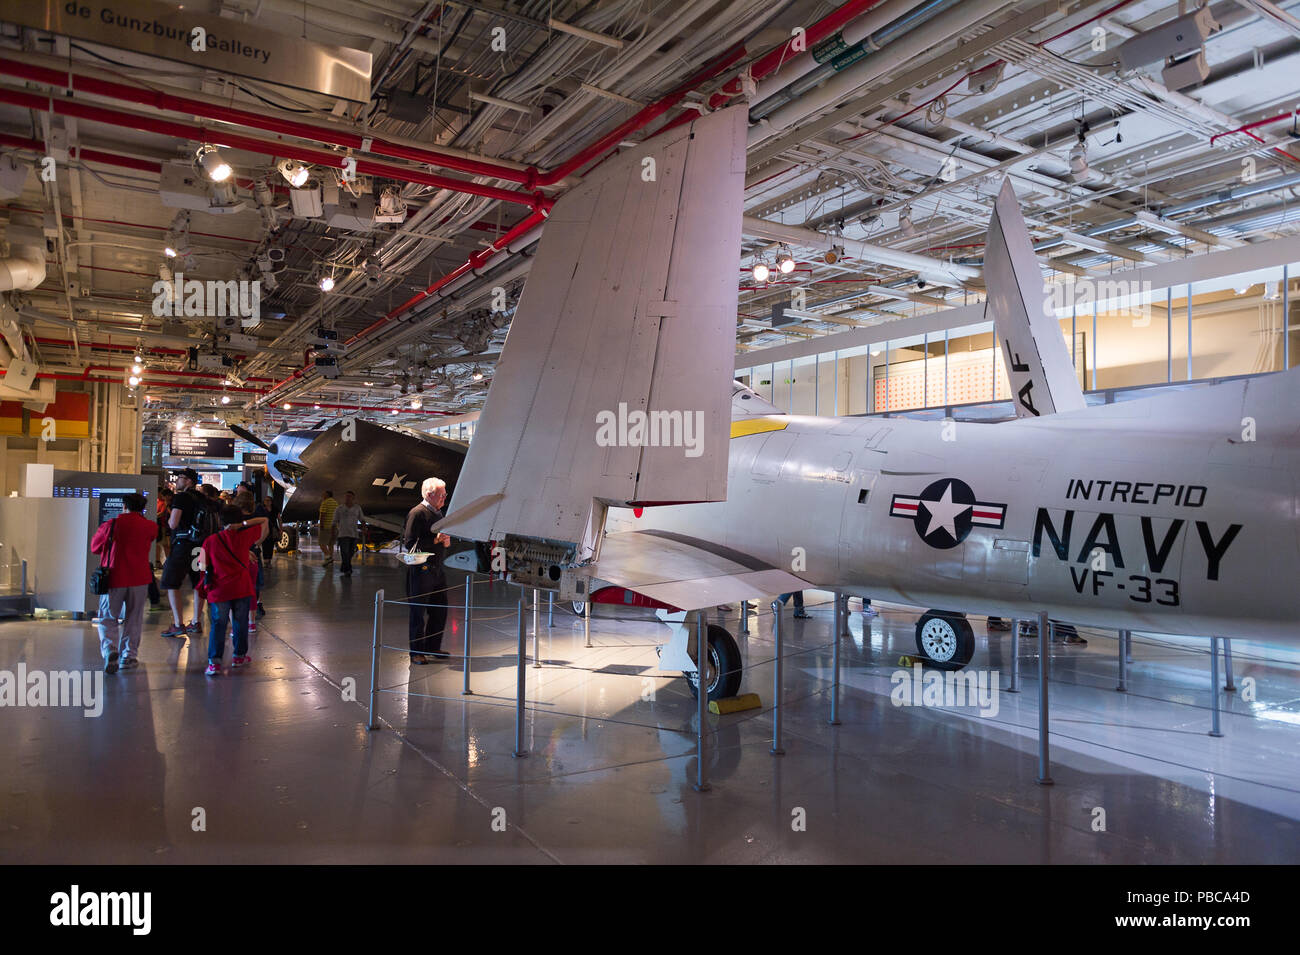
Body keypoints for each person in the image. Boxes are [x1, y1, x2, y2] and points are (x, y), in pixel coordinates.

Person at [197, 505, 268, 676]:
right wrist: (242, 524)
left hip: (219, 590)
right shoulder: (245, 537)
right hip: (241, 588)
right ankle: (239, 656)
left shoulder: (211, 540)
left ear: (221, 520)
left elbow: (202, 565)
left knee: (218, 625)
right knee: (240, 622)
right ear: (238, 520)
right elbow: (265, 520)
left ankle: (215, 663)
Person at [90, 493, 157, 673]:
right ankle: (128, 656)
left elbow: (95, 548)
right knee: (134, 618)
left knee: (107, 617)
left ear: (124, 506)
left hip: (114, 578)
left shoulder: (110, 525)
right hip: (140, 578)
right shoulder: (151, 526)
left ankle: (110, 650)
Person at [402, 477, 451, 664]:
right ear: (429, 495)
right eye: (441, 495)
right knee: (418, 612)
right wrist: (436, 540)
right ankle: (416, 652)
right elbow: (410, 543)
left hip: (437, 569)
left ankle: (432, 646)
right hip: (420, 570)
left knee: (439, 611)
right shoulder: (417, 513)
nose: (444, 499)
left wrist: (445, 541)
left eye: (445, 495)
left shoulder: (438, 513)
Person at [159, 468, 208, 638]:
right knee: (197, 582)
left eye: (180, 477)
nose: (177, 480)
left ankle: (178, 624)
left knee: (170, 582)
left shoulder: (180, 498)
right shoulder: (203, 498)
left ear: (188, 481)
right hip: (200, 546)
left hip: (182, 545)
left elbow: (173, 524)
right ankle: (195, 622)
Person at [333, 490, 364, 577]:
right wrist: (333, 532)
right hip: (343, 534)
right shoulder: (339, 508)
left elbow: (362, 519)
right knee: (345, 552)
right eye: (346, 496)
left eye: (349, 496)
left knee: (351, 552)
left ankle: (344, 566)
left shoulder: (357, 508)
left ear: (353, 498)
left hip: (354, 534)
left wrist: (364, 528)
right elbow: (334, 521)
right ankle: (348, 569)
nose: (347, 498)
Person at [318, 490, 339, 564]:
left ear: (327, 495)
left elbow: (322, 515)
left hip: (326, 527)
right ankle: (331, 559)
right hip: (334, 527)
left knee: (321, 544)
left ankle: (328, 557)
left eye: (323, 494)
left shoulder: (325, 503)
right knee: (331, 544)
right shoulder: (335, 503)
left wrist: (321, 525)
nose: (322, 496)